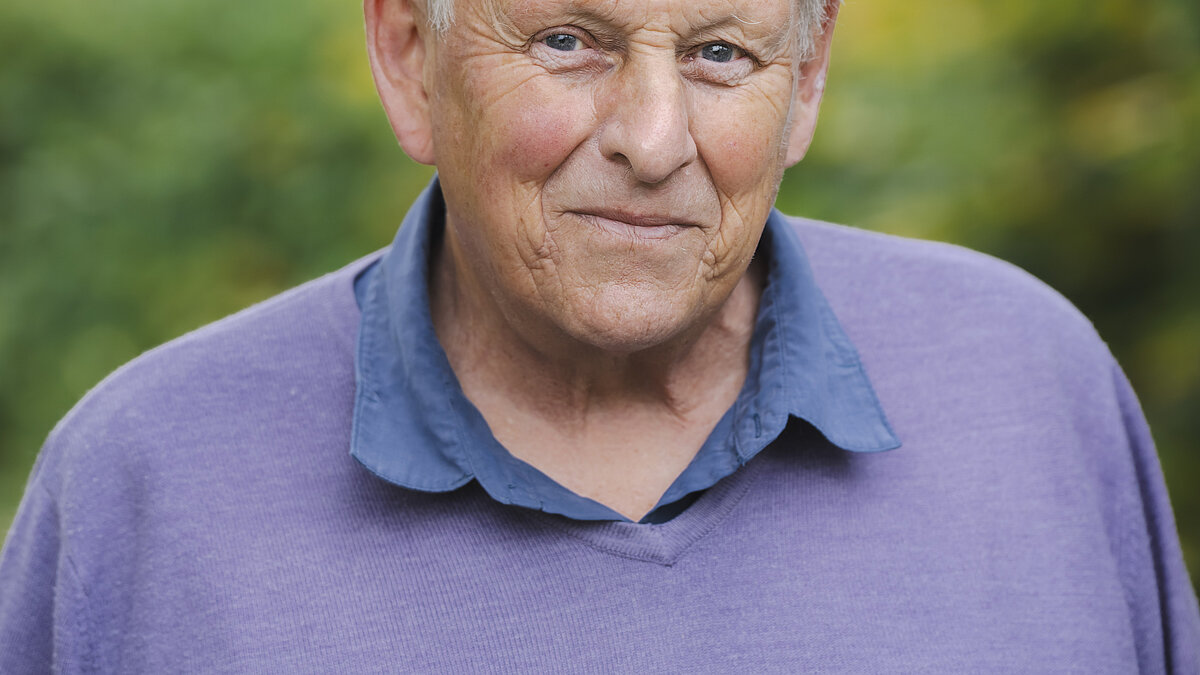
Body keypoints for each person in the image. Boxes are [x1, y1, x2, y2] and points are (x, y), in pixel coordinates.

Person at [1, 0, 1197, 670]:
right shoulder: (149, 482)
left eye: (720, 53)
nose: (653, 138)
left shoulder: (1030, 390)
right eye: (569, 40)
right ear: (410, 57)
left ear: (807, 78)